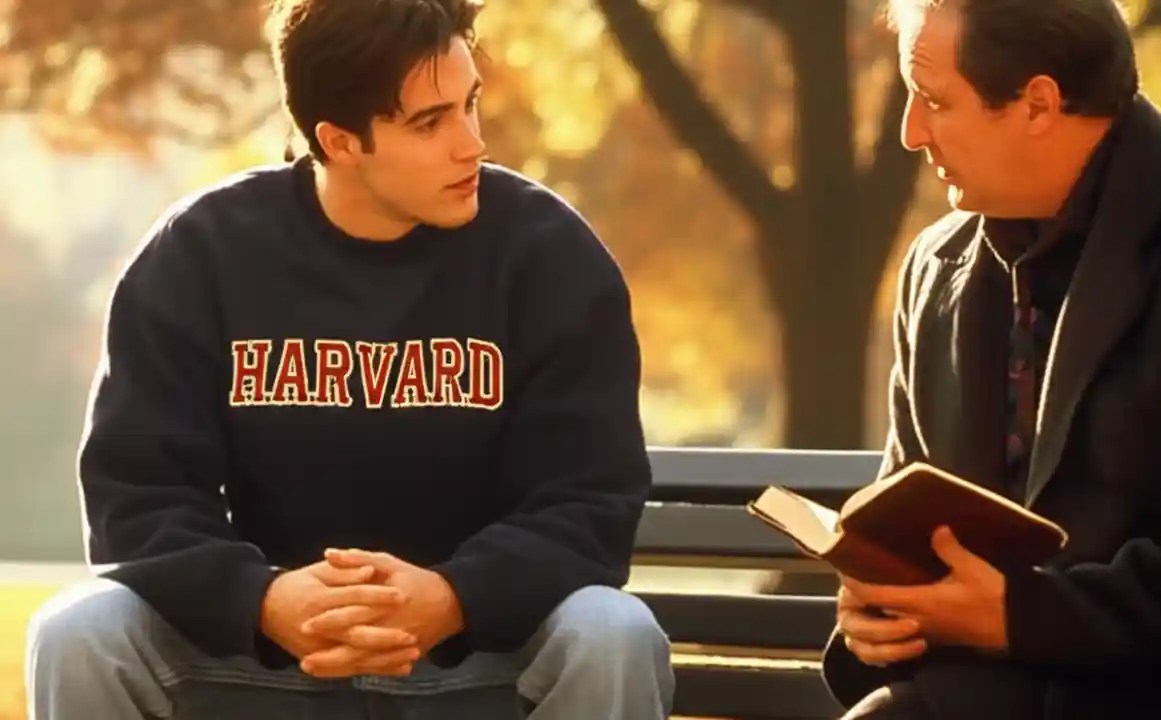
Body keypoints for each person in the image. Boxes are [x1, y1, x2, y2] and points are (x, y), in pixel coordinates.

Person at [24, 0, 674, 718]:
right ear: (339, 141)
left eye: (470, 103)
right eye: (430, 123)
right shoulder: (201, 253)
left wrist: (453, 597)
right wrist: (261, 599)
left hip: (481, 662)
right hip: (261, 661)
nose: (472, 144)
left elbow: (589, 498)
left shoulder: (549, 256)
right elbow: (137, 491)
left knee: (614, 634)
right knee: (78, 634)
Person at [821, 0, 1161, 718]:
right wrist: (877, 608)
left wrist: (1023, 617)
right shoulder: (934, 268)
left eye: (934, 100)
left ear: (1038, 104)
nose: (910, 132)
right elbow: (902, 512)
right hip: (970, 696)